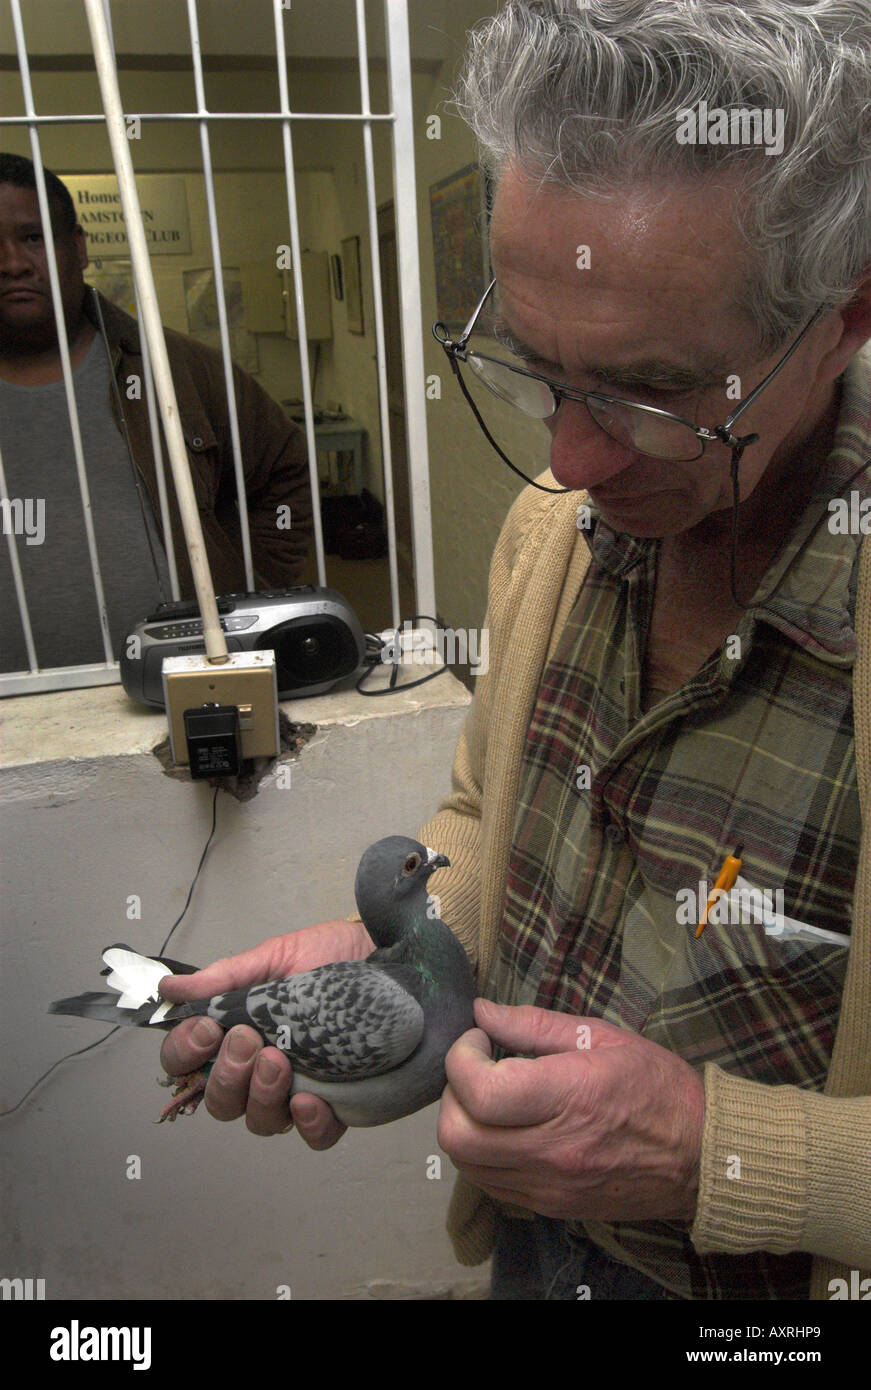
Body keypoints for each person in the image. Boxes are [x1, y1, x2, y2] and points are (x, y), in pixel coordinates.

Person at [158, 0, 871, 1300]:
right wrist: (405, 955)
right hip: (536, 1251)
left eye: (650, 393)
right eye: (531, 367)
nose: (563, 463)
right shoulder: (556, 532)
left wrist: (712, 1152)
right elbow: (499, 812)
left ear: (843, 317)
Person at [0, 154, 313, 672]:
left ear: (76, 248)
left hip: (181, 684)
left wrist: (248, 600)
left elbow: (284, 470)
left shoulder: (177, 369)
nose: (12, 262)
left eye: (33, 237)